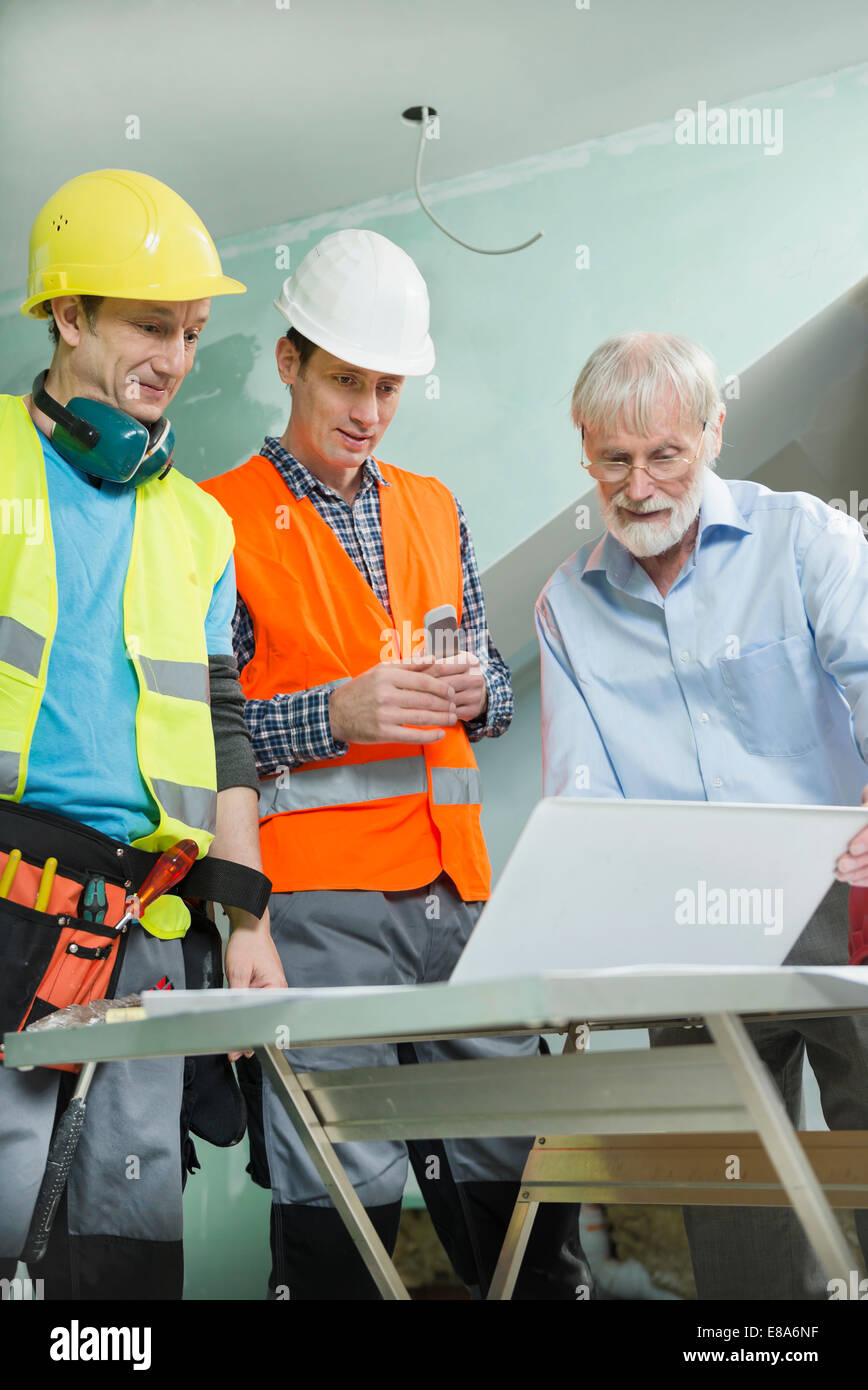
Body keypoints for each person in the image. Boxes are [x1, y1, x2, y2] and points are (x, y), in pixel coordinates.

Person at [202, 228, 590, 1300]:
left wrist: (480, 690)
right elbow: (201, 731)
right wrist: (337, 710)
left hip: (459, 896)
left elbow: (493, 689)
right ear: (290, 364)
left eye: (385, 385)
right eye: (344, 380)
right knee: (340, 1183)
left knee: (517, 1172)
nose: (367, 410)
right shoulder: (215, 521)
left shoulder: (434, 505)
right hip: (316, 912)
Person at [535, 329, 868, 1300]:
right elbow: (582, 795)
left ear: (713, 433)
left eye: (664, 454)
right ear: (585, 450)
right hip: (684, 922)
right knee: (732, 1211)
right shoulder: (564, 604)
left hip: (839, 895)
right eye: (614, 460)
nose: (639, 485)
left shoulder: (803, 537)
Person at [0, 168, 285, 1301]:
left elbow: (221, 723)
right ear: (68, 317)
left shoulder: (197, 521)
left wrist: (246, 908)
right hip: (11, 898)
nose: (175, 356)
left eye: (193, 331)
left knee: (124, 1242)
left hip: (145, 925)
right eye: (148, 324)